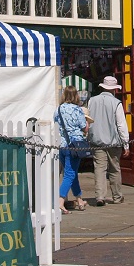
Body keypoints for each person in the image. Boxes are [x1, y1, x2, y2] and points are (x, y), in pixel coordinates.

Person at [87, 75, 129, 206]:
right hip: (113, 141)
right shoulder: (116, 103)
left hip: (96, 140)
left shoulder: (91, 101)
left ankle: (100, 196)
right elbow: (121, 124)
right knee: (114, 169)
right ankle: (117, 196)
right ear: (114, 89)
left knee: (99, 168)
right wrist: (126, 144)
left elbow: (87, 120)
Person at [53, 85, 89, 214]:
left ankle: (79, 199)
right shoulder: (77, 110)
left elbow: (56, 124)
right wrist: (87, 122)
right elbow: (84, 128)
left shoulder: (58, 110)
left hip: (62, 145)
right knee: (69, 174)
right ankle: (60, 202)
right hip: (75, 145)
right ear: (75, 96)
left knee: (72, 173)